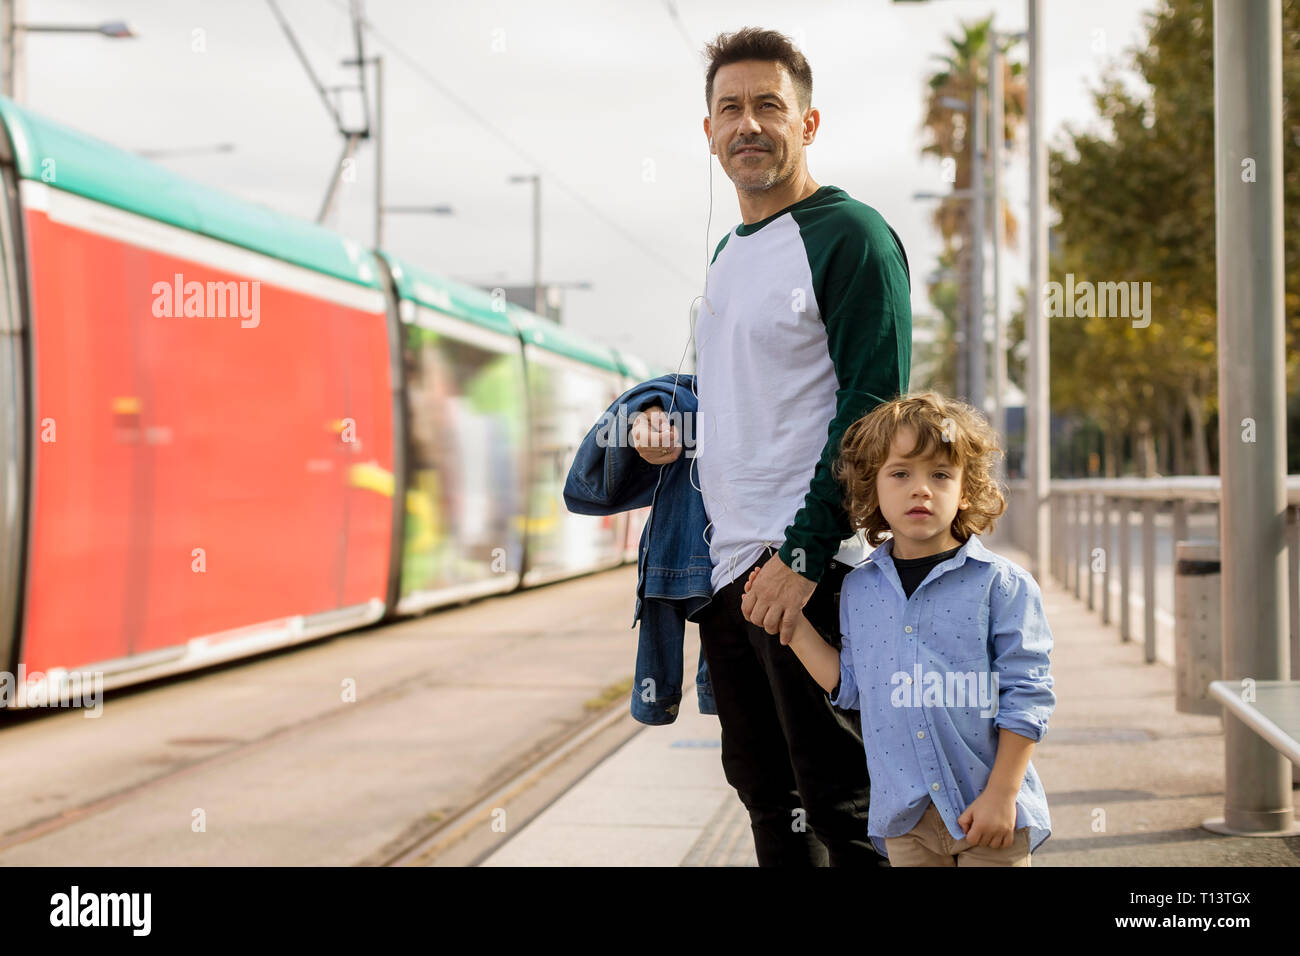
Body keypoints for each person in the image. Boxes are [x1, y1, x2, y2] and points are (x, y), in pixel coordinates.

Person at [635, 26, 912, 867]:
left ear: (809, 123)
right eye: (730, 109)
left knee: (844, 802)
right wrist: (672, 438)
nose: (747, 124)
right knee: (766, 794)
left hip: (812, 569)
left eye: (768, 106)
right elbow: (743, 405)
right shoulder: (728, 256)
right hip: (729, 576)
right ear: (709, 130)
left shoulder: (851, 236)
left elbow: (873, 413)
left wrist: (803, 553)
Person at [745, 391, 1056, 866]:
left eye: (940, 475)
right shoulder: (858, 589)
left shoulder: (1003, 586)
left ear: (965, 490)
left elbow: (1027, 697)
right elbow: (851, 686)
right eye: (900, 474)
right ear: (872, 491)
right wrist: (792, 623)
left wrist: (1002, 796)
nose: (921, 489)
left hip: (989, 813)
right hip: (906, 821)